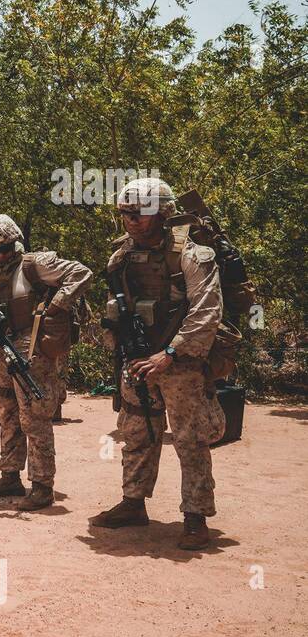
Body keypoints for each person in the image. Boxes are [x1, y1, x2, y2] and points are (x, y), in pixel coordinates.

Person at [90, 178, 226, 550]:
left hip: (179, 363)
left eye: (138, 213)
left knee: (190, 439)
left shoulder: (192, 255)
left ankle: (195, 517)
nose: (130, 220)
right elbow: (116, 309)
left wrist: (169, 354)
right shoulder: (120, 258)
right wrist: (122, 350)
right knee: (136, 433)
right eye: (124, 213)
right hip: (138, 361)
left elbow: (207, 312)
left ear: (162, 213)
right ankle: (133, 503)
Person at [0, 214, 91, 511]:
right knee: (7, 414)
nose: (0, 256)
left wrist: (56, 307)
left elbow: (81, 273)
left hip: (28, 349)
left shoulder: (34, 264)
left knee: (34, 417)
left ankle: (43, 485)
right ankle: (10, 474)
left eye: (4, 249)